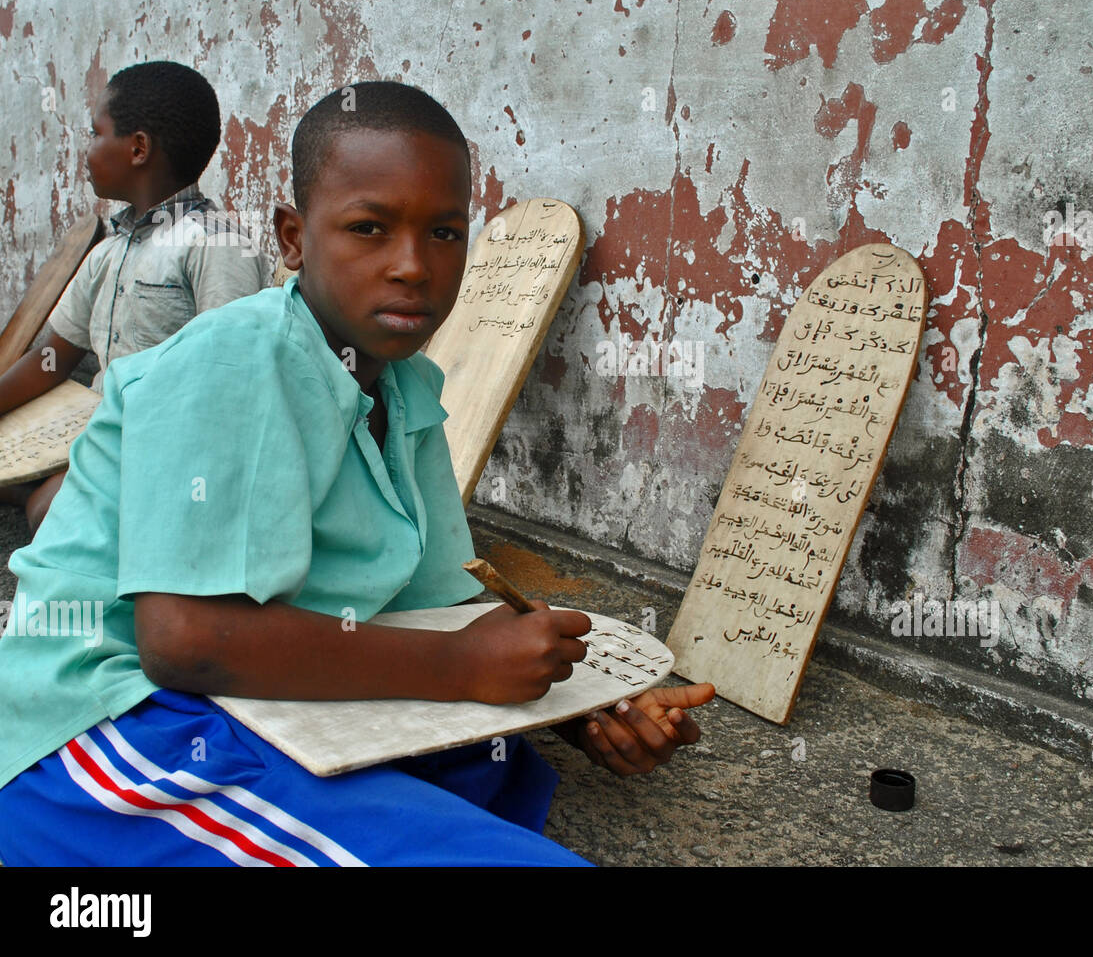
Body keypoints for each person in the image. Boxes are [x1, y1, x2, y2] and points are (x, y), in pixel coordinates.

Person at [0, 80, 714, 866]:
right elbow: (184, 639)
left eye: (444, 232)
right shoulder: (232, 359)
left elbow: (443, 606)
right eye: (369, 228)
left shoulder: (405, 389)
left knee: (487, 771)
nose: (413, 266)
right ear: (294, 237)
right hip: (111, 724)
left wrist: (580, 702)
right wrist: (461, 665)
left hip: (243, 703)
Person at [0, 61, 272, 531]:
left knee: (51, 514)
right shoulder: (110, 250)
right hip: (95, 432)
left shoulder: (216, 245)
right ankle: (64, 486)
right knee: (41, 496)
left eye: (94, 132)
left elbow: (229, 382)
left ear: (138, 148)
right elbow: (53, 358)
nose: (85, 149)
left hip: (167, 443)